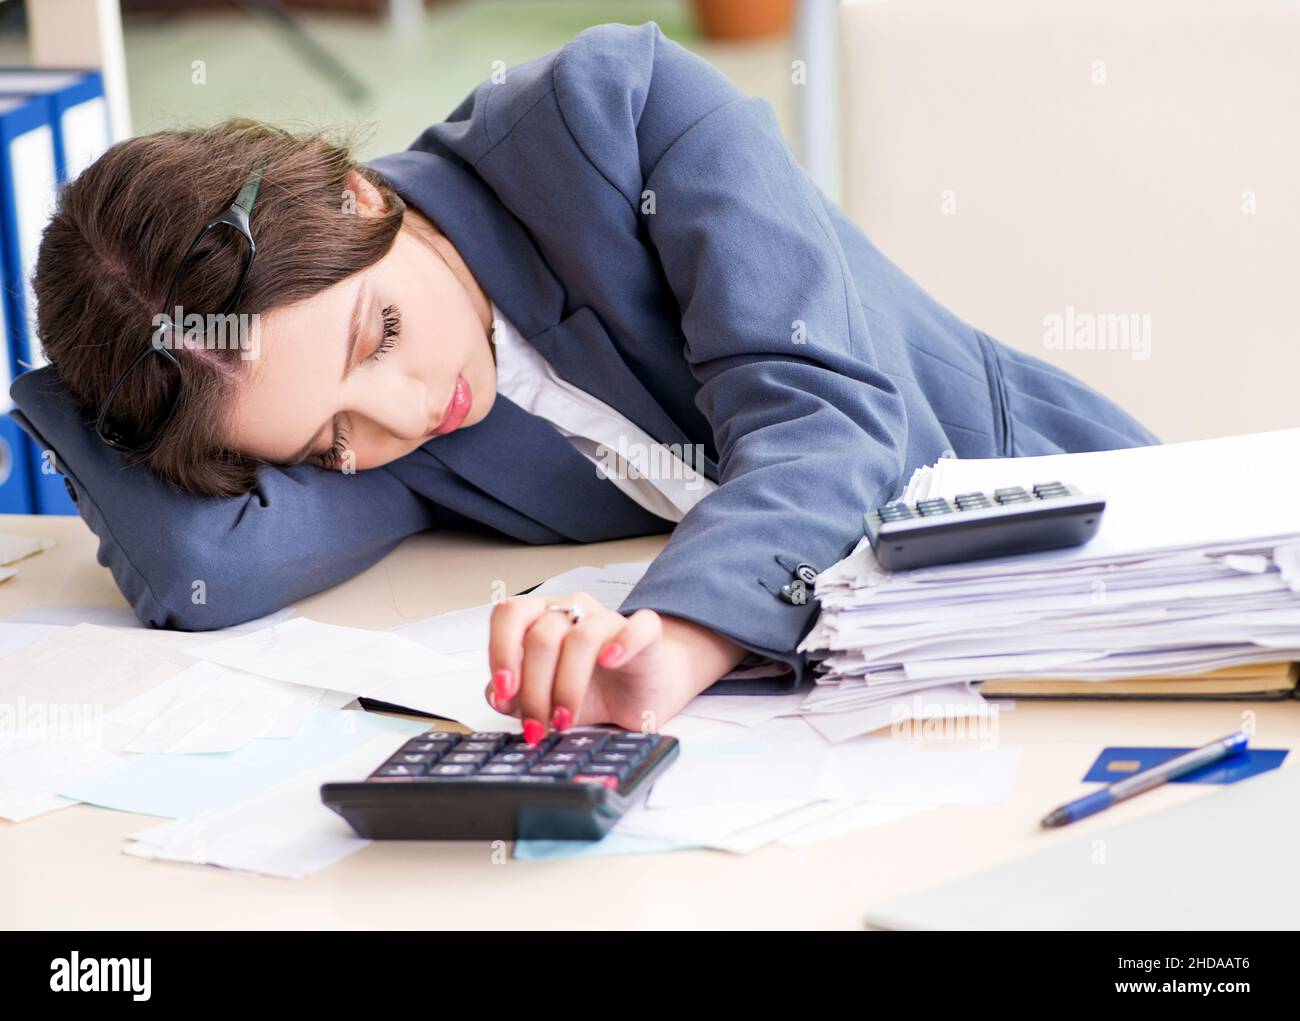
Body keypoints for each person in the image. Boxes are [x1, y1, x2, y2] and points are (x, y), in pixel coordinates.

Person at [18, 22, 1158, 740]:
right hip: (881, 701)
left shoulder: (614, 114)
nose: (409, 413)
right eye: (326, 446)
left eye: (380, 335)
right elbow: (199, 568)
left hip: (1083, 549)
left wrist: (660, 639)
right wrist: (79, 378)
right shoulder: (386, 423)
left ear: (361, 194)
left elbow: (830, 419)